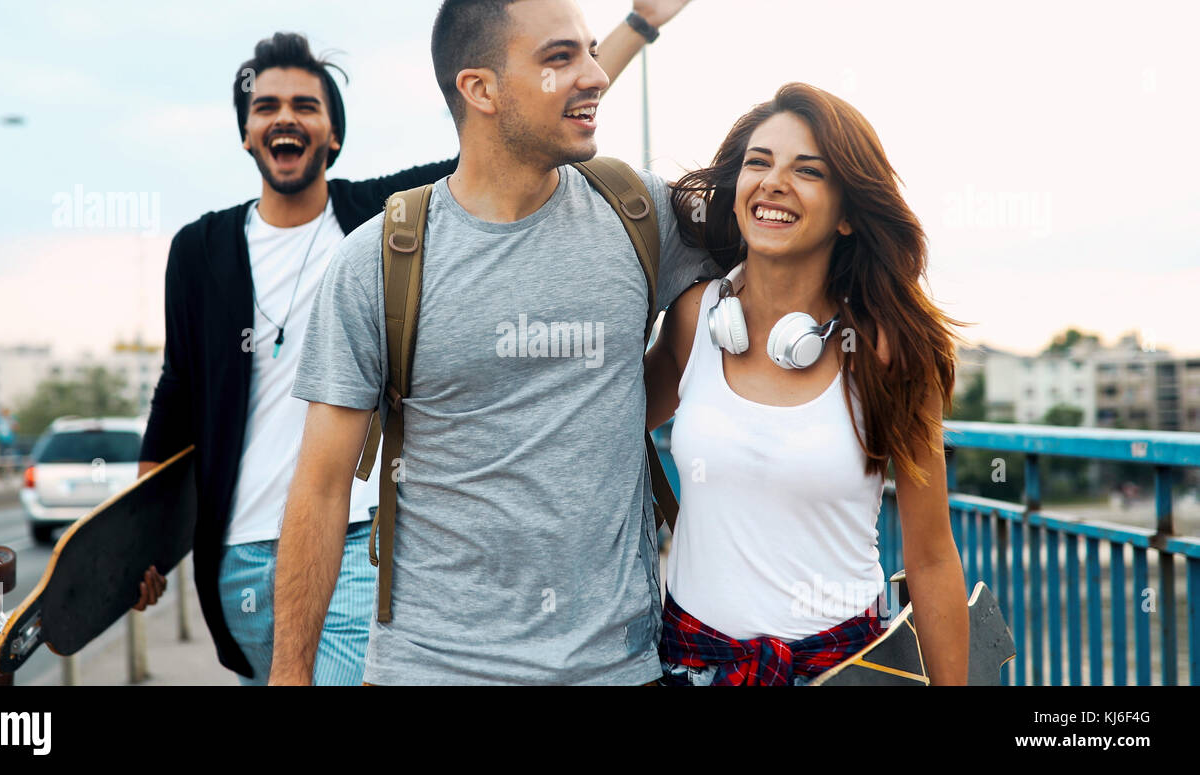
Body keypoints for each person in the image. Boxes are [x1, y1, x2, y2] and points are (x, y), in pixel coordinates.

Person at [137, 19, 667, 686]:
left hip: (355, 535)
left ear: (333, 133)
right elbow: (176, 391)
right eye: (265, 107)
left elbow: (514, 122)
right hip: (236, 548)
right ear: (246, 132)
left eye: (306, 106)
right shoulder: (200, 248)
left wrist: (638, 28)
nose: (285, 119)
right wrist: (137, 540)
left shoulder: (379, 223)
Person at [270, 0, 714, 686]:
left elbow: (776, 236)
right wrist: (289, 677)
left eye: (592, 52)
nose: (594, 74)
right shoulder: (380, 261)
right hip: (430, 668)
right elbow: (321, 489)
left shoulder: (642, 213)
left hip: (616, 668)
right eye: (560, 58)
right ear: (479, 89)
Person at [644, 83, 969, 685]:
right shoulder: (696, 319)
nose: (773, 182)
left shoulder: (889, 352)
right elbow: (599, 424)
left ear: (847, 214)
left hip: (844, 668)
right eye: (758, 163)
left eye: (808, 171)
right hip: (694, 663)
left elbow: (929, 556)